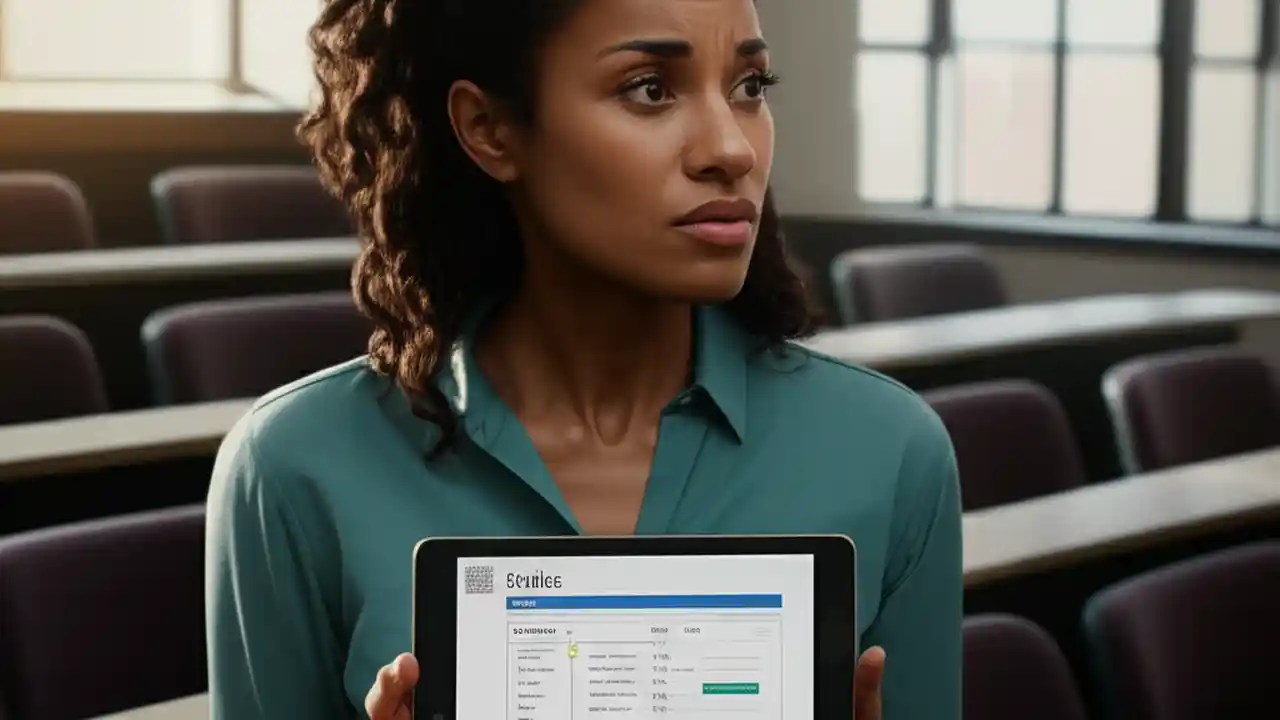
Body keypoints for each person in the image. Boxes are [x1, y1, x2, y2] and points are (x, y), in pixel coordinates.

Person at [205, 0, 962, 718]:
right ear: (491, 129)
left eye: (749, 86)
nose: (732, 149)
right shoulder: (291, 469)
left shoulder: (889, 451)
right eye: (650, 88)